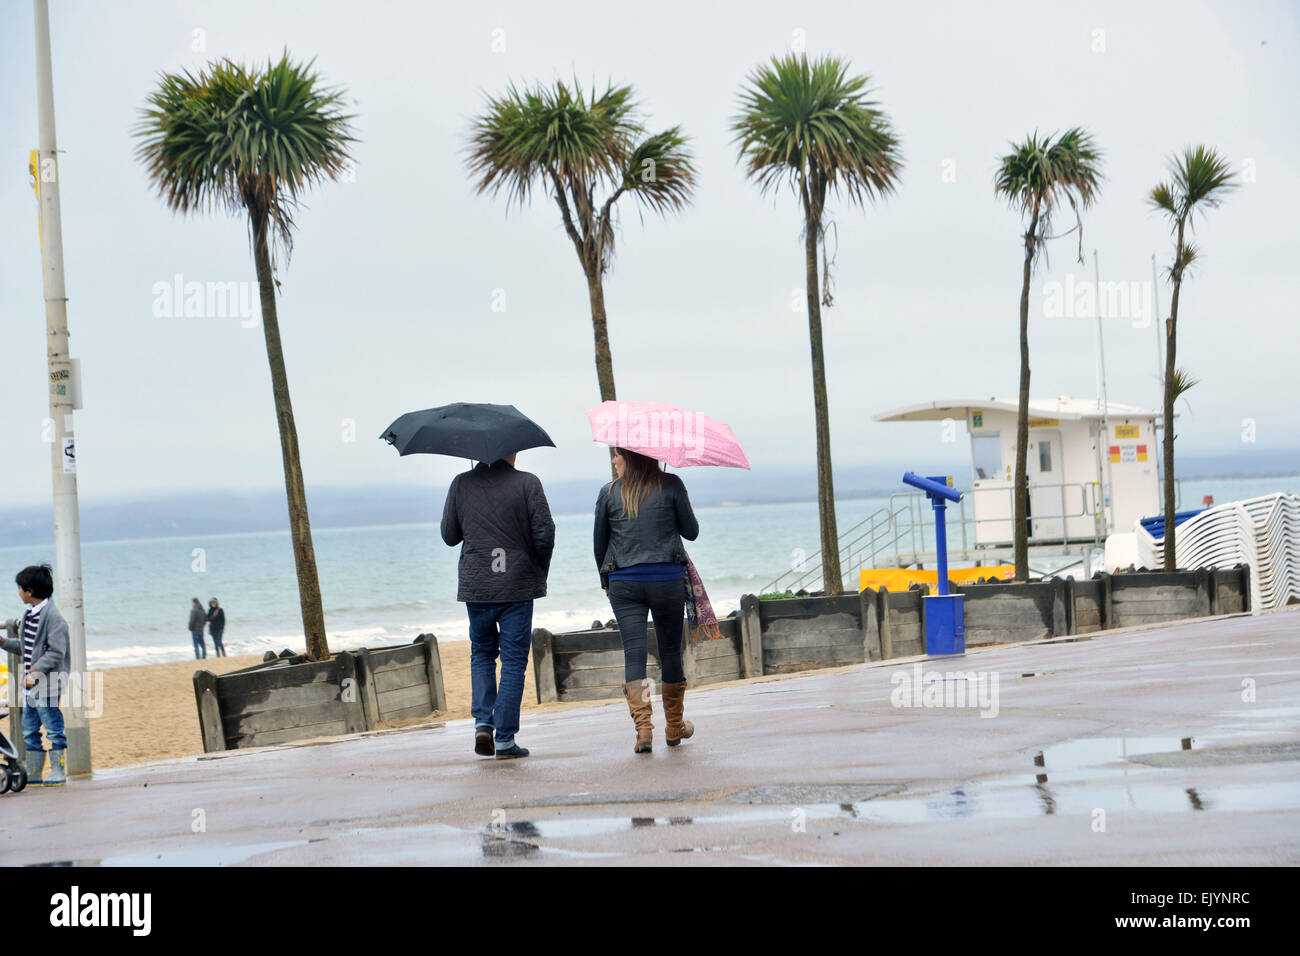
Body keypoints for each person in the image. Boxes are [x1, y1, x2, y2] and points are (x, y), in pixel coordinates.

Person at [441, 452, 554, 760]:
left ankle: (482, 723)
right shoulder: (528, 483)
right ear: (512, 450)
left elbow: (449, 536)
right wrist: (536, 569)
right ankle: (504, 740)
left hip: (477, 585)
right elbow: (545, 534)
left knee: (482, 654)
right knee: (514, 662)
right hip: (516, 585)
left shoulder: (461, 483)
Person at [594, 447, 700, 754]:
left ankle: (643, 731)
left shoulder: (608, 493)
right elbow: (691, 532)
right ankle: (674, 727)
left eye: (618, 456)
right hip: (666, 579)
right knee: (669, 650)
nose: (614, 461)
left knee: (634, 653)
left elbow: (599, 545)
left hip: (624, 582)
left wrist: (606, 581)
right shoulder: (671, 484)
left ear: (632, 457)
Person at [0, 565, 70, 787]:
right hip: (31, 687)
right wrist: (2, 642)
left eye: (20, 588)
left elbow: (56, 651)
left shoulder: (54, 618)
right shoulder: (30, 614)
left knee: (53, 730)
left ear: (29, 591)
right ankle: (34, 773)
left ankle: (58, 772)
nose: (19, 592)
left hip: (47, 685)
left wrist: (34, 672)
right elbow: (25, 647)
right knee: (29, 731)